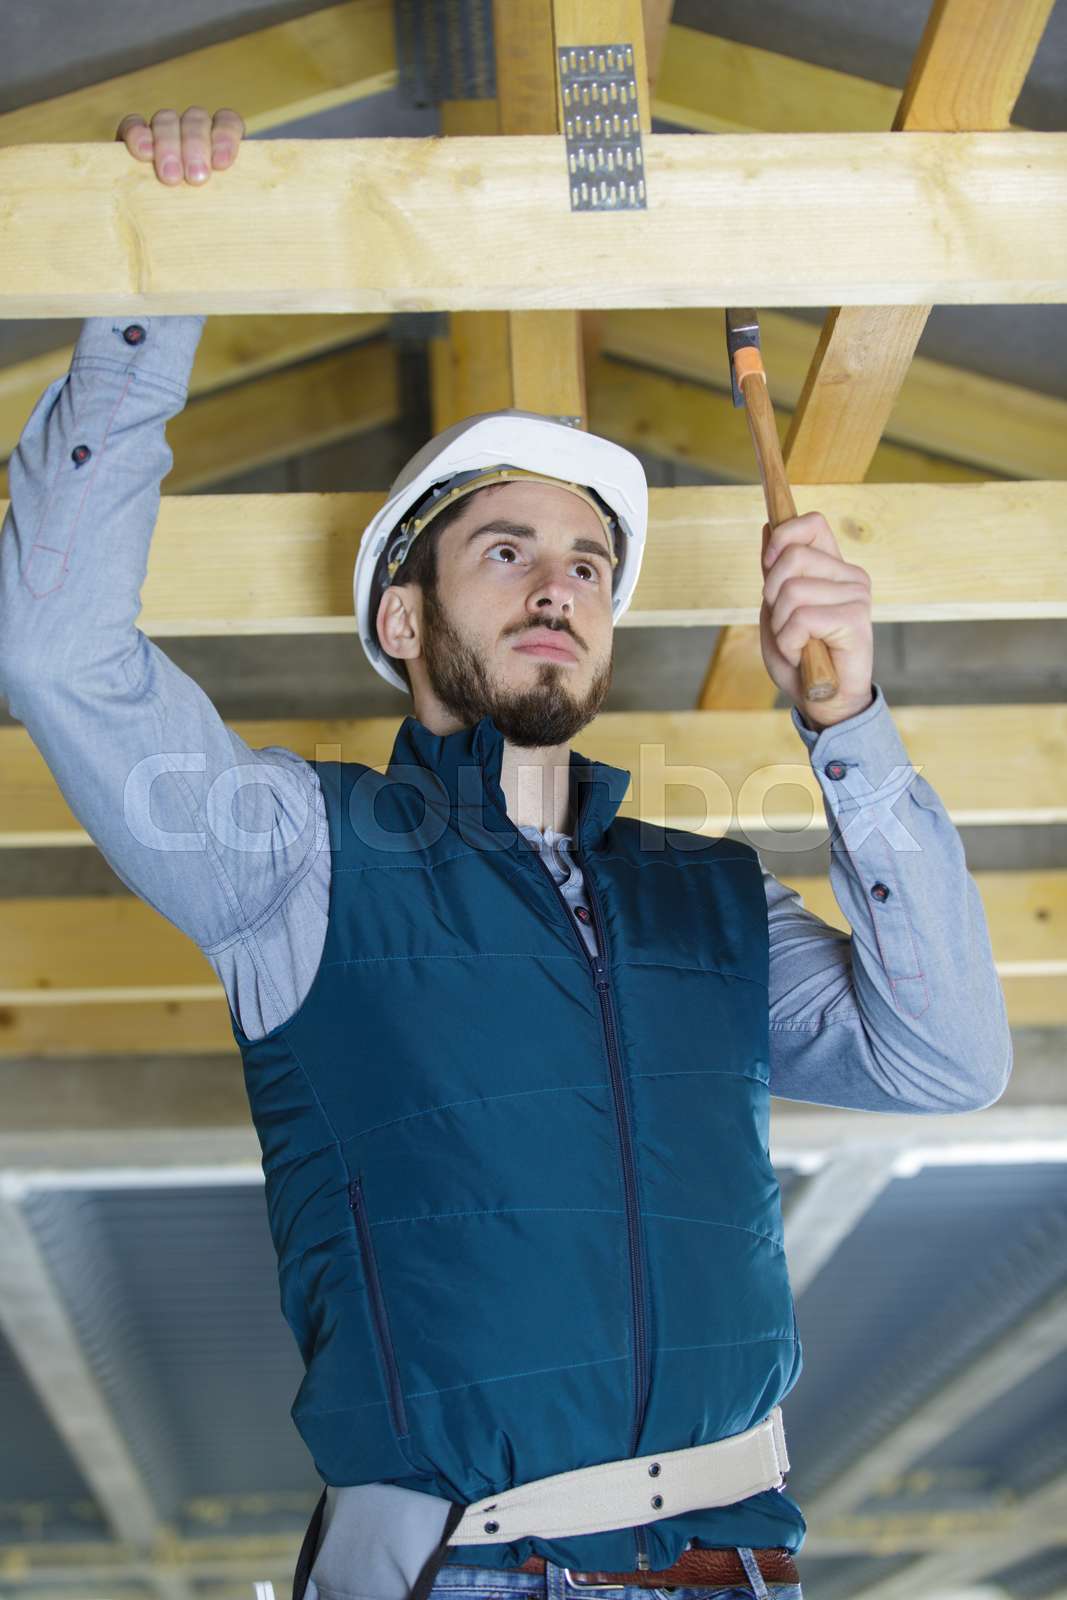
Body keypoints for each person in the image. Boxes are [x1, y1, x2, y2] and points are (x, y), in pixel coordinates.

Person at [0, 107, 1012, 1600]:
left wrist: (850, 719)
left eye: (590, 561)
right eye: (505, 550)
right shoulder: (298, 857)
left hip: (742, 1568)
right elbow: (59, 654)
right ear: (404, 622)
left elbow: (949, 1063)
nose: (561, 585)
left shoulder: (712, 899)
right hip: (482, 1573)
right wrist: (158, 273)